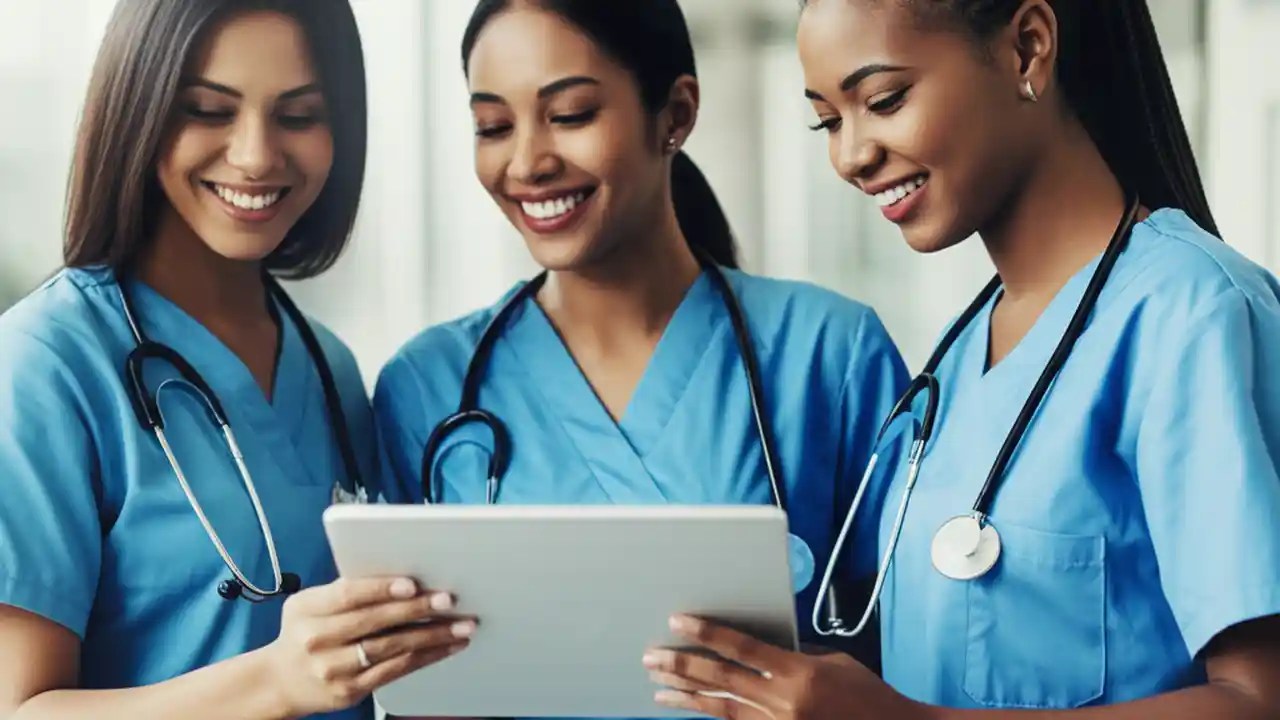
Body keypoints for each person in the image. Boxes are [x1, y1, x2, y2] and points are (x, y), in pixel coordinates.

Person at [644, 0, 1280, 717]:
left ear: (1028, 49)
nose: (850, 155)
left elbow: (1260, 699)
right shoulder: (953, 362)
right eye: (827, 120)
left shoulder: (1192, 313)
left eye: (883, 100)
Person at [372, 0, 909, 688]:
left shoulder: (828, 354)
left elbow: (903, 649)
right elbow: (420, 684)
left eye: (570, 115)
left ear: (676, 114)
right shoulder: (429, 384)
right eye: (493, 126)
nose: (528, 161)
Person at [0, 1, 471, 718]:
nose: (256, 154)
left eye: (299, 115)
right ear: (139, 110)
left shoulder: (331, 370)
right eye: (208, 110)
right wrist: (277, 682)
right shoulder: (47, 363)